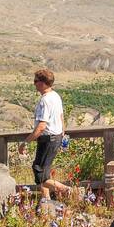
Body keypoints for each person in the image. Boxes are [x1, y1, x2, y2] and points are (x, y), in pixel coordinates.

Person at [27, 68, 73, 201]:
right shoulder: (55, 96)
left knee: (39, 173)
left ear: (42, 83)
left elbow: (42, 126)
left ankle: (68, 191)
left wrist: (26, 142)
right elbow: (60, 117)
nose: (34, 83)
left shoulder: (45, 100)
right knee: (44, 171)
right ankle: (46, 201)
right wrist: (62, 134)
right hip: (56, 137)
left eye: (35, 81)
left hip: (48, 139)